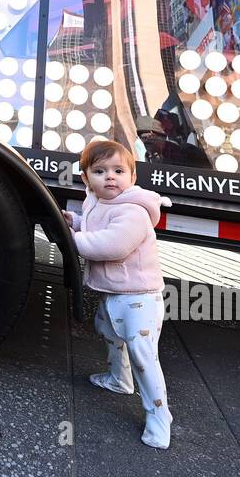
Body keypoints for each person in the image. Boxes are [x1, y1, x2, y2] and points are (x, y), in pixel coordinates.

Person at [64, 139, 173, 449]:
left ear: (132, 178)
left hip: (140, 297)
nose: (110, 177)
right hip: (115, 292)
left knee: (143, 353)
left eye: (118, 170)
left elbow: (112, 244)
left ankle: (159, 415)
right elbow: (96, 225)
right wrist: (76, 222)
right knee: (108, 331)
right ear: (86, 179)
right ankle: (119, 379)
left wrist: (74, 239)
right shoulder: (97, 202)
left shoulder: (134, 211)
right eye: (99, 171)